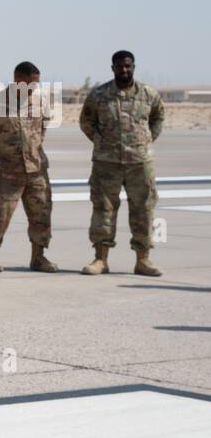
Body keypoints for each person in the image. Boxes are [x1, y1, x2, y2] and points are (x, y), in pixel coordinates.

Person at [80, 51, 165, 276]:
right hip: (106, 163)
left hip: (140, 163)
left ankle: (143, 259)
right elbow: (86, 121)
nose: (124, 70)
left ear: (133, 67)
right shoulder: (99, 95)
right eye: (120, 66)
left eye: (128, 66)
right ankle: (100, 259)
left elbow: (157, 119)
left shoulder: (149, 94)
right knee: (103, 209)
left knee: (143, 209)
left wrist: (145, 141)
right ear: (113, 68)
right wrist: (102, 142)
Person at [0, 62, 57, 272]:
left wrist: (32, 150)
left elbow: (42, 129)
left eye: (36, 83)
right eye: (30, 83)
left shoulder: (41, 100)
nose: (34, 87)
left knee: (41, 213)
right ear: (18, 79)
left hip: (36, 169)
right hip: (6, 171)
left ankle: (38, 256)